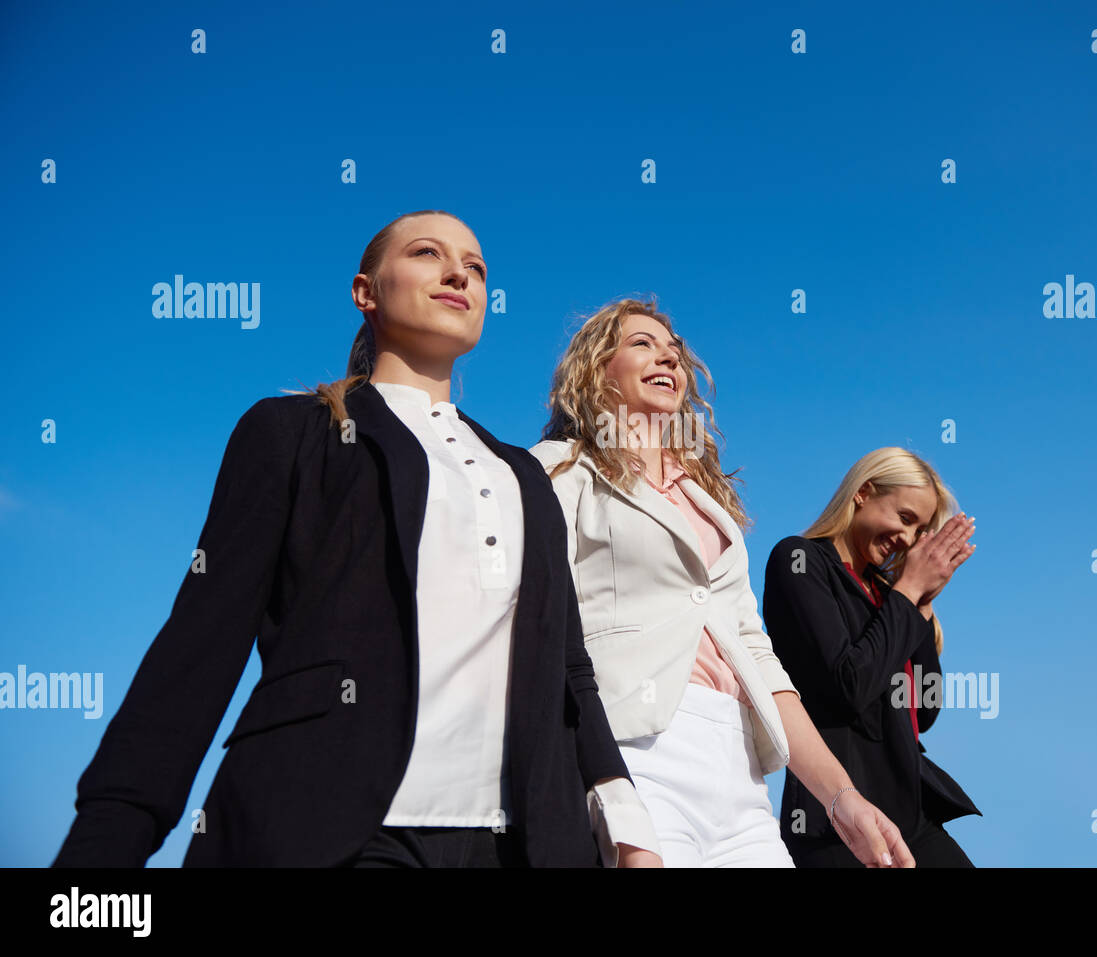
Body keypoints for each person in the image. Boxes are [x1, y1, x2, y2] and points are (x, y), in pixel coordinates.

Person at [51, 210, 659, 868]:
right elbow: (198, 649)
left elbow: (571, 669)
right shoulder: (292, 433)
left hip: (517, 842)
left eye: (477, 267)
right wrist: (99, 856)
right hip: (330, 830)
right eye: (429, 253)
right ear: (365, 291)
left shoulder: (525, 477)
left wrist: (626, 823)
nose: (460, 272)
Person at [529, 297, 915, 868]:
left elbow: (756, 656)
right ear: (596, 368)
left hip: (735, 766)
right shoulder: (560, 470)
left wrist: (841, 798)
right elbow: (537, 624)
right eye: (641, 344)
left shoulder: (709, 506)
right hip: (634, 748)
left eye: (674, 350)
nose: (667, 357)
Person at [762, 448, 981, 867]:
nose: (907, 539)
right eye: (904, 518)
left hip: (912, 811)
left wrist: (921, 605)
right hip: (838, 817)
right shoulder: (800, 562)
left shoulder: (886, 593)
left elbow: (924, 709)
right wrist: (906, 593)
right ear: (863, 493)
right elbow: (849, 686)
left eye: (918, 532)